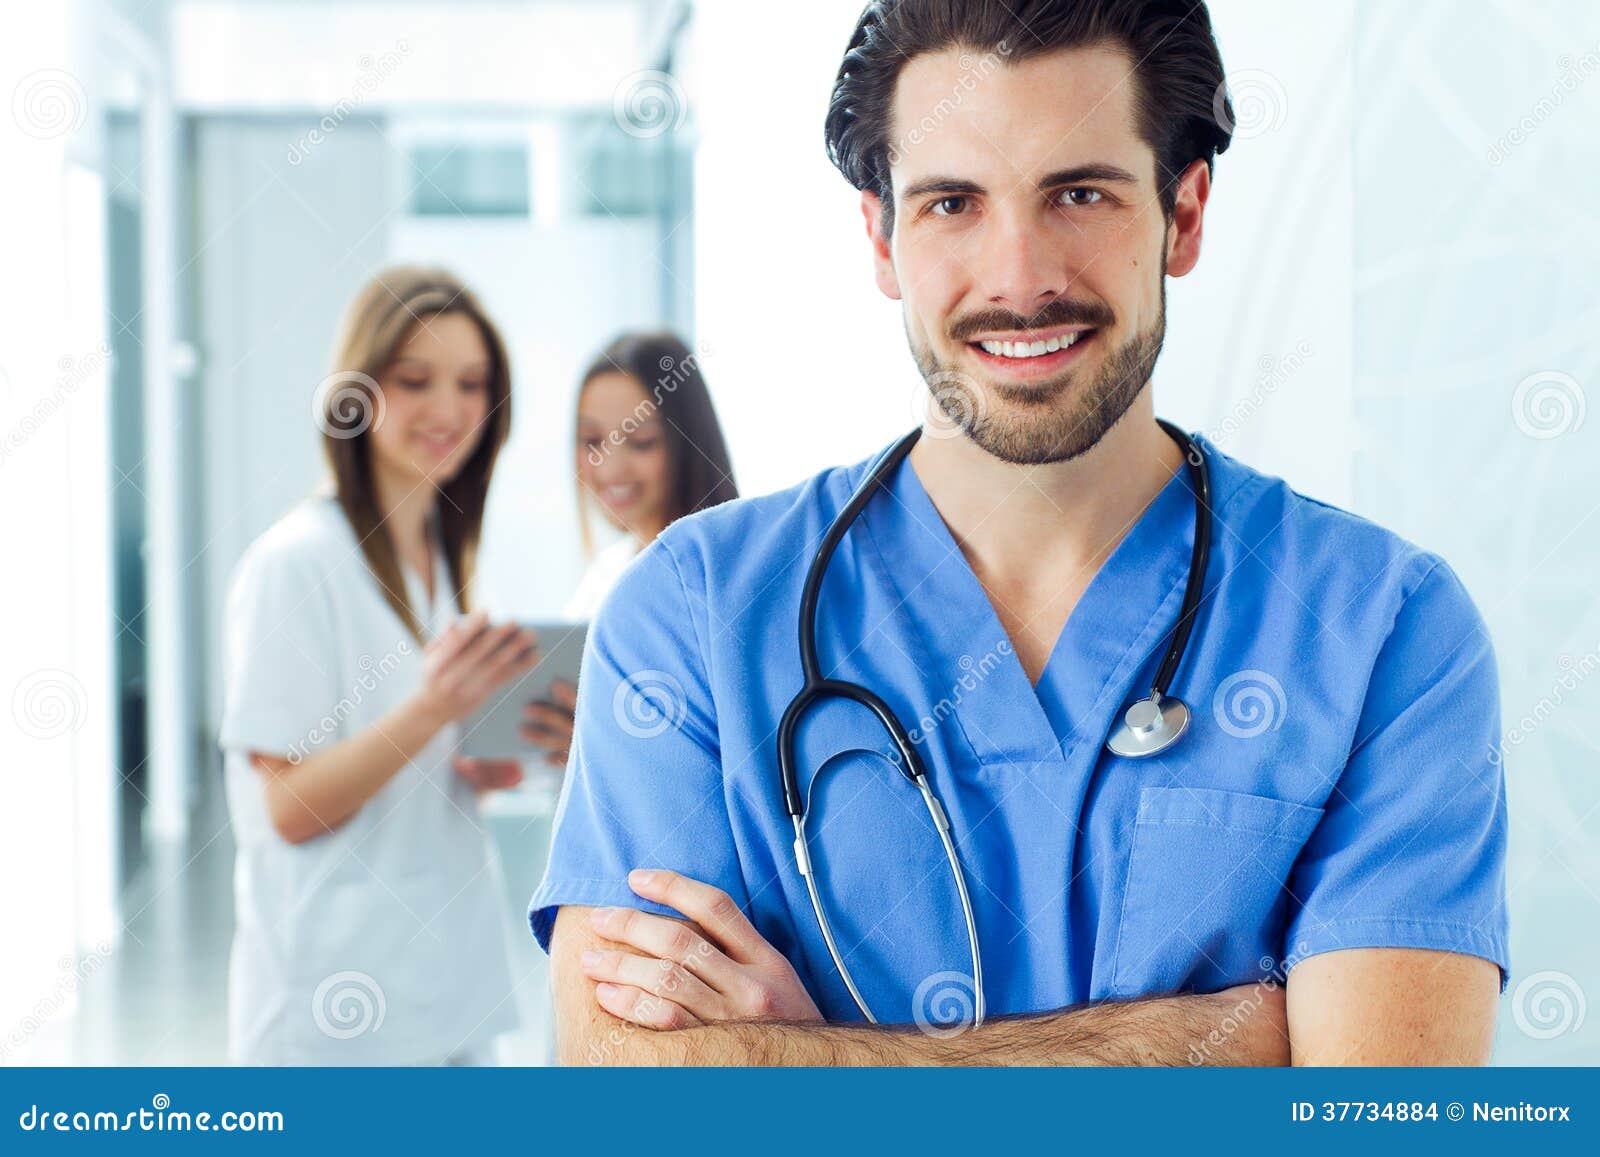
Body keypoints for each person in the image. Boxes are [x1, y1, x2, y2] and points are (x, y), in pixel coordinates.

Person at [531, 0, 1509, 1066]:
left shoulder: (1380, 625)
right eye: (952, 202)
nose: (1019, 275)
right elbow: (629, 1091)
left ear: (1183, 214)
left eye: (1078, 194)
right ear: (881, 236)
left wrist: (802, 1056)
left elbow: (1383, 1119)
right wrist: (1212, 1041)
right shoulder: (693, 613)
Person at [219, 266, 539, 1065]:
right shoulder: (296, 564)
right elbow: (289, 808)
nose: (448, 410)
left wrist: (497, 750)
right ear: (357, 393)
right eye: (414, 380)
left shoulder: (448, 557)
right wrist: (430, 710)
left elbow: (436, 758)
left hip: (449, 990)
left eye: (471, 384)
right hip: (335, 1012)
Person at [517, 332, 740, 761]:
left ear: (688, 442)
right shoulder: (604, 573)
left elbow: (733, 759)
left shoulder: (727, 577)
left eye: (641, 442)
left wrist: (601, 748)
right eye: (592, 442)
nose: (610, 467)